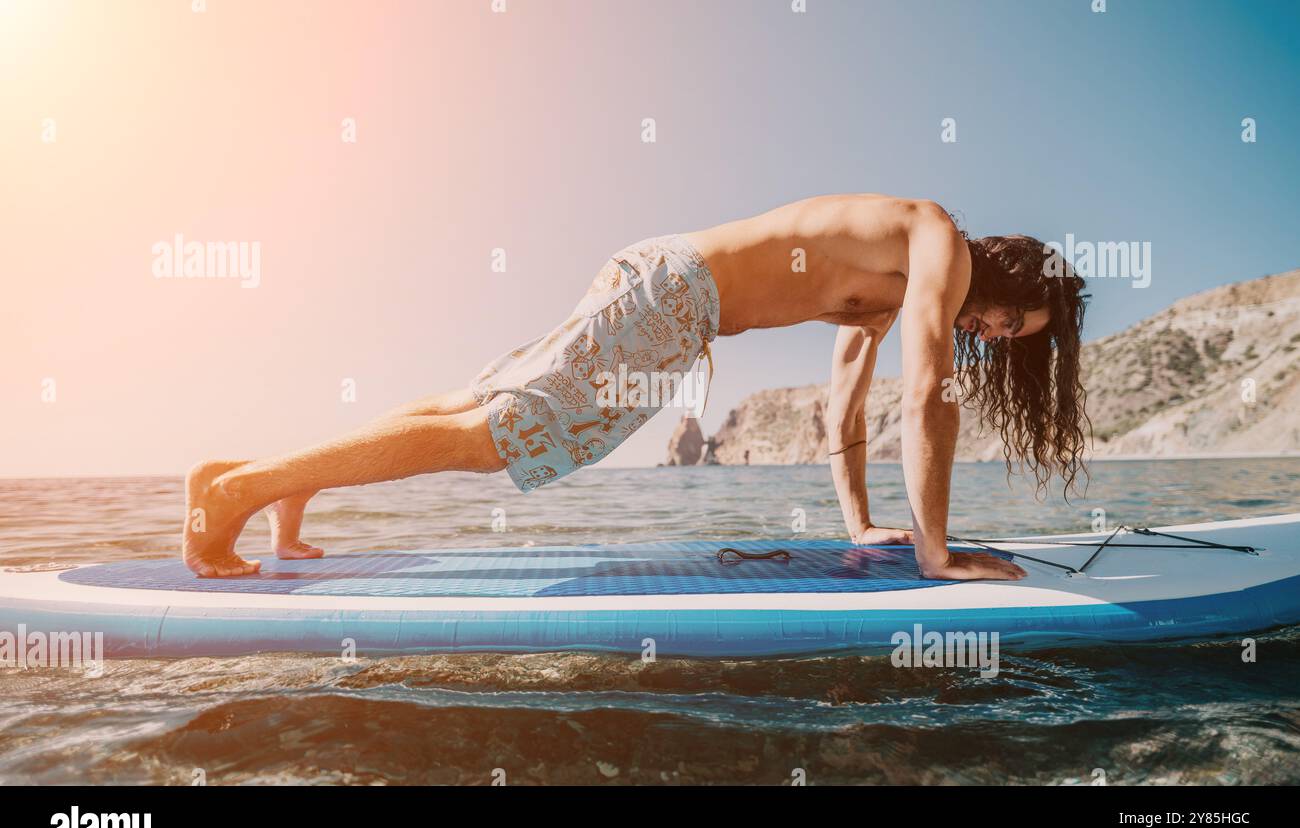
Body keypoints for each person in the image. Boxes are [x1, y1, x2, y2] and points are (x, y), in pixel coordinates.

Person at [183, 194, 1089, 581]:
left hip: (663, 277)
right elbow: (930, 391)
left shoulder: (891, 281)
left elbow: (843, 409)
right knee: (498, 438)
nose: (994, 339)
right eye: (1010, 326)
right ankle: (235, 495)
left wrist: (860, 527)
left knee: (477, 402)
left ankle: (263, 479)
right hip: (677, 296)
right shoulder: (937, 242)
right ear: (1004, 282)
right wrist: (937, 554)